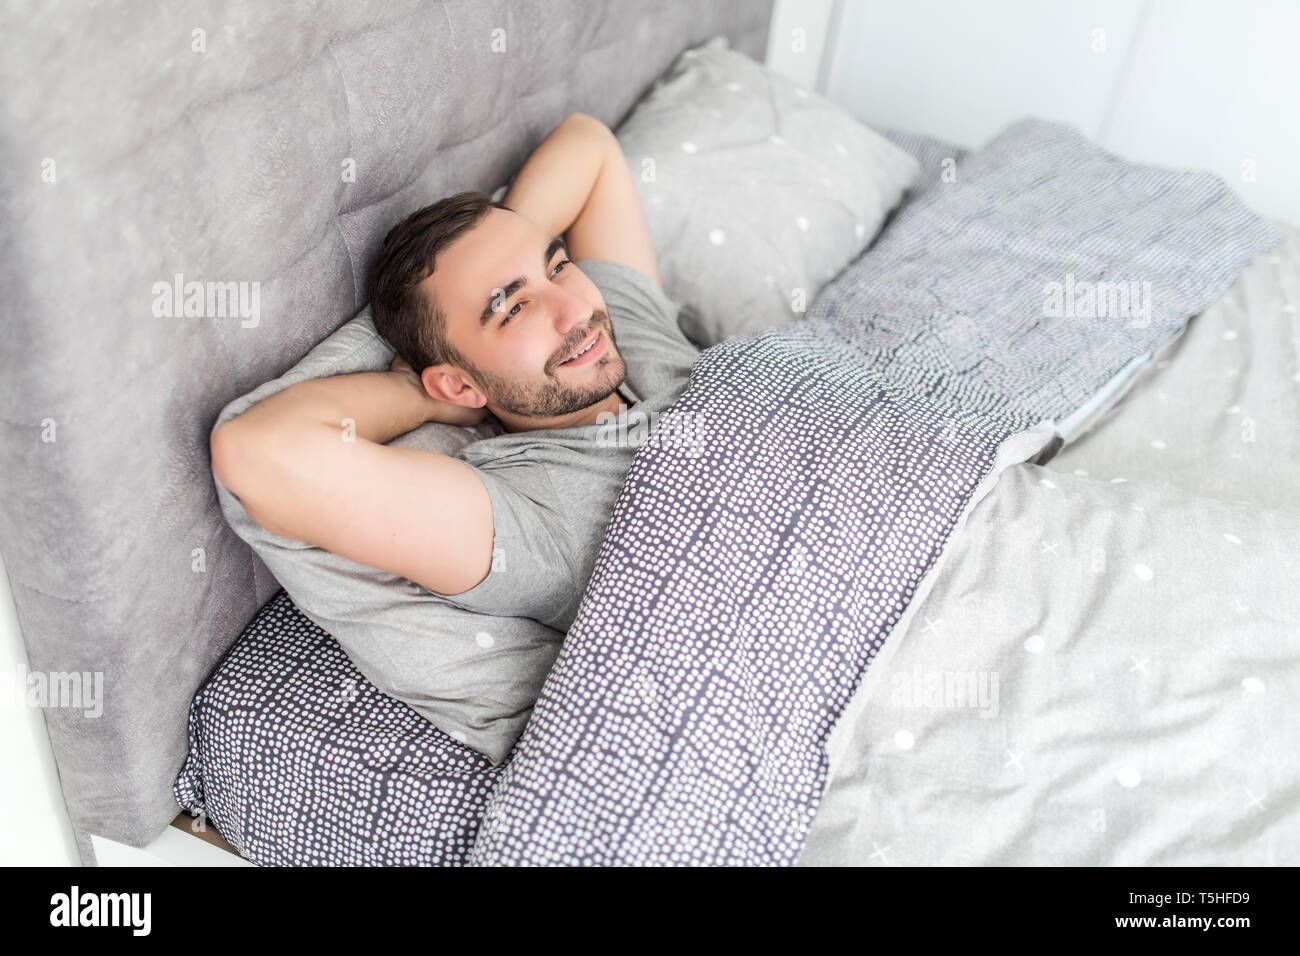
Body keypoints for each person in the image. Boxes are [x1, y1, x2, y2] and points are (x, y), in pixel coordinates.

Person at [210, 113, 701, 632]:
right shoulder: (536, 520)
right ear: (460, 383)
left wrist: (504, 243)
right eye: (513, 309)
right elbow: (257, 451)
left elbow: (588, 144)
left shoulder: (617, 331)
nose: (573, 312)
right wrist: (418, 396)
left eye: (557, 265)